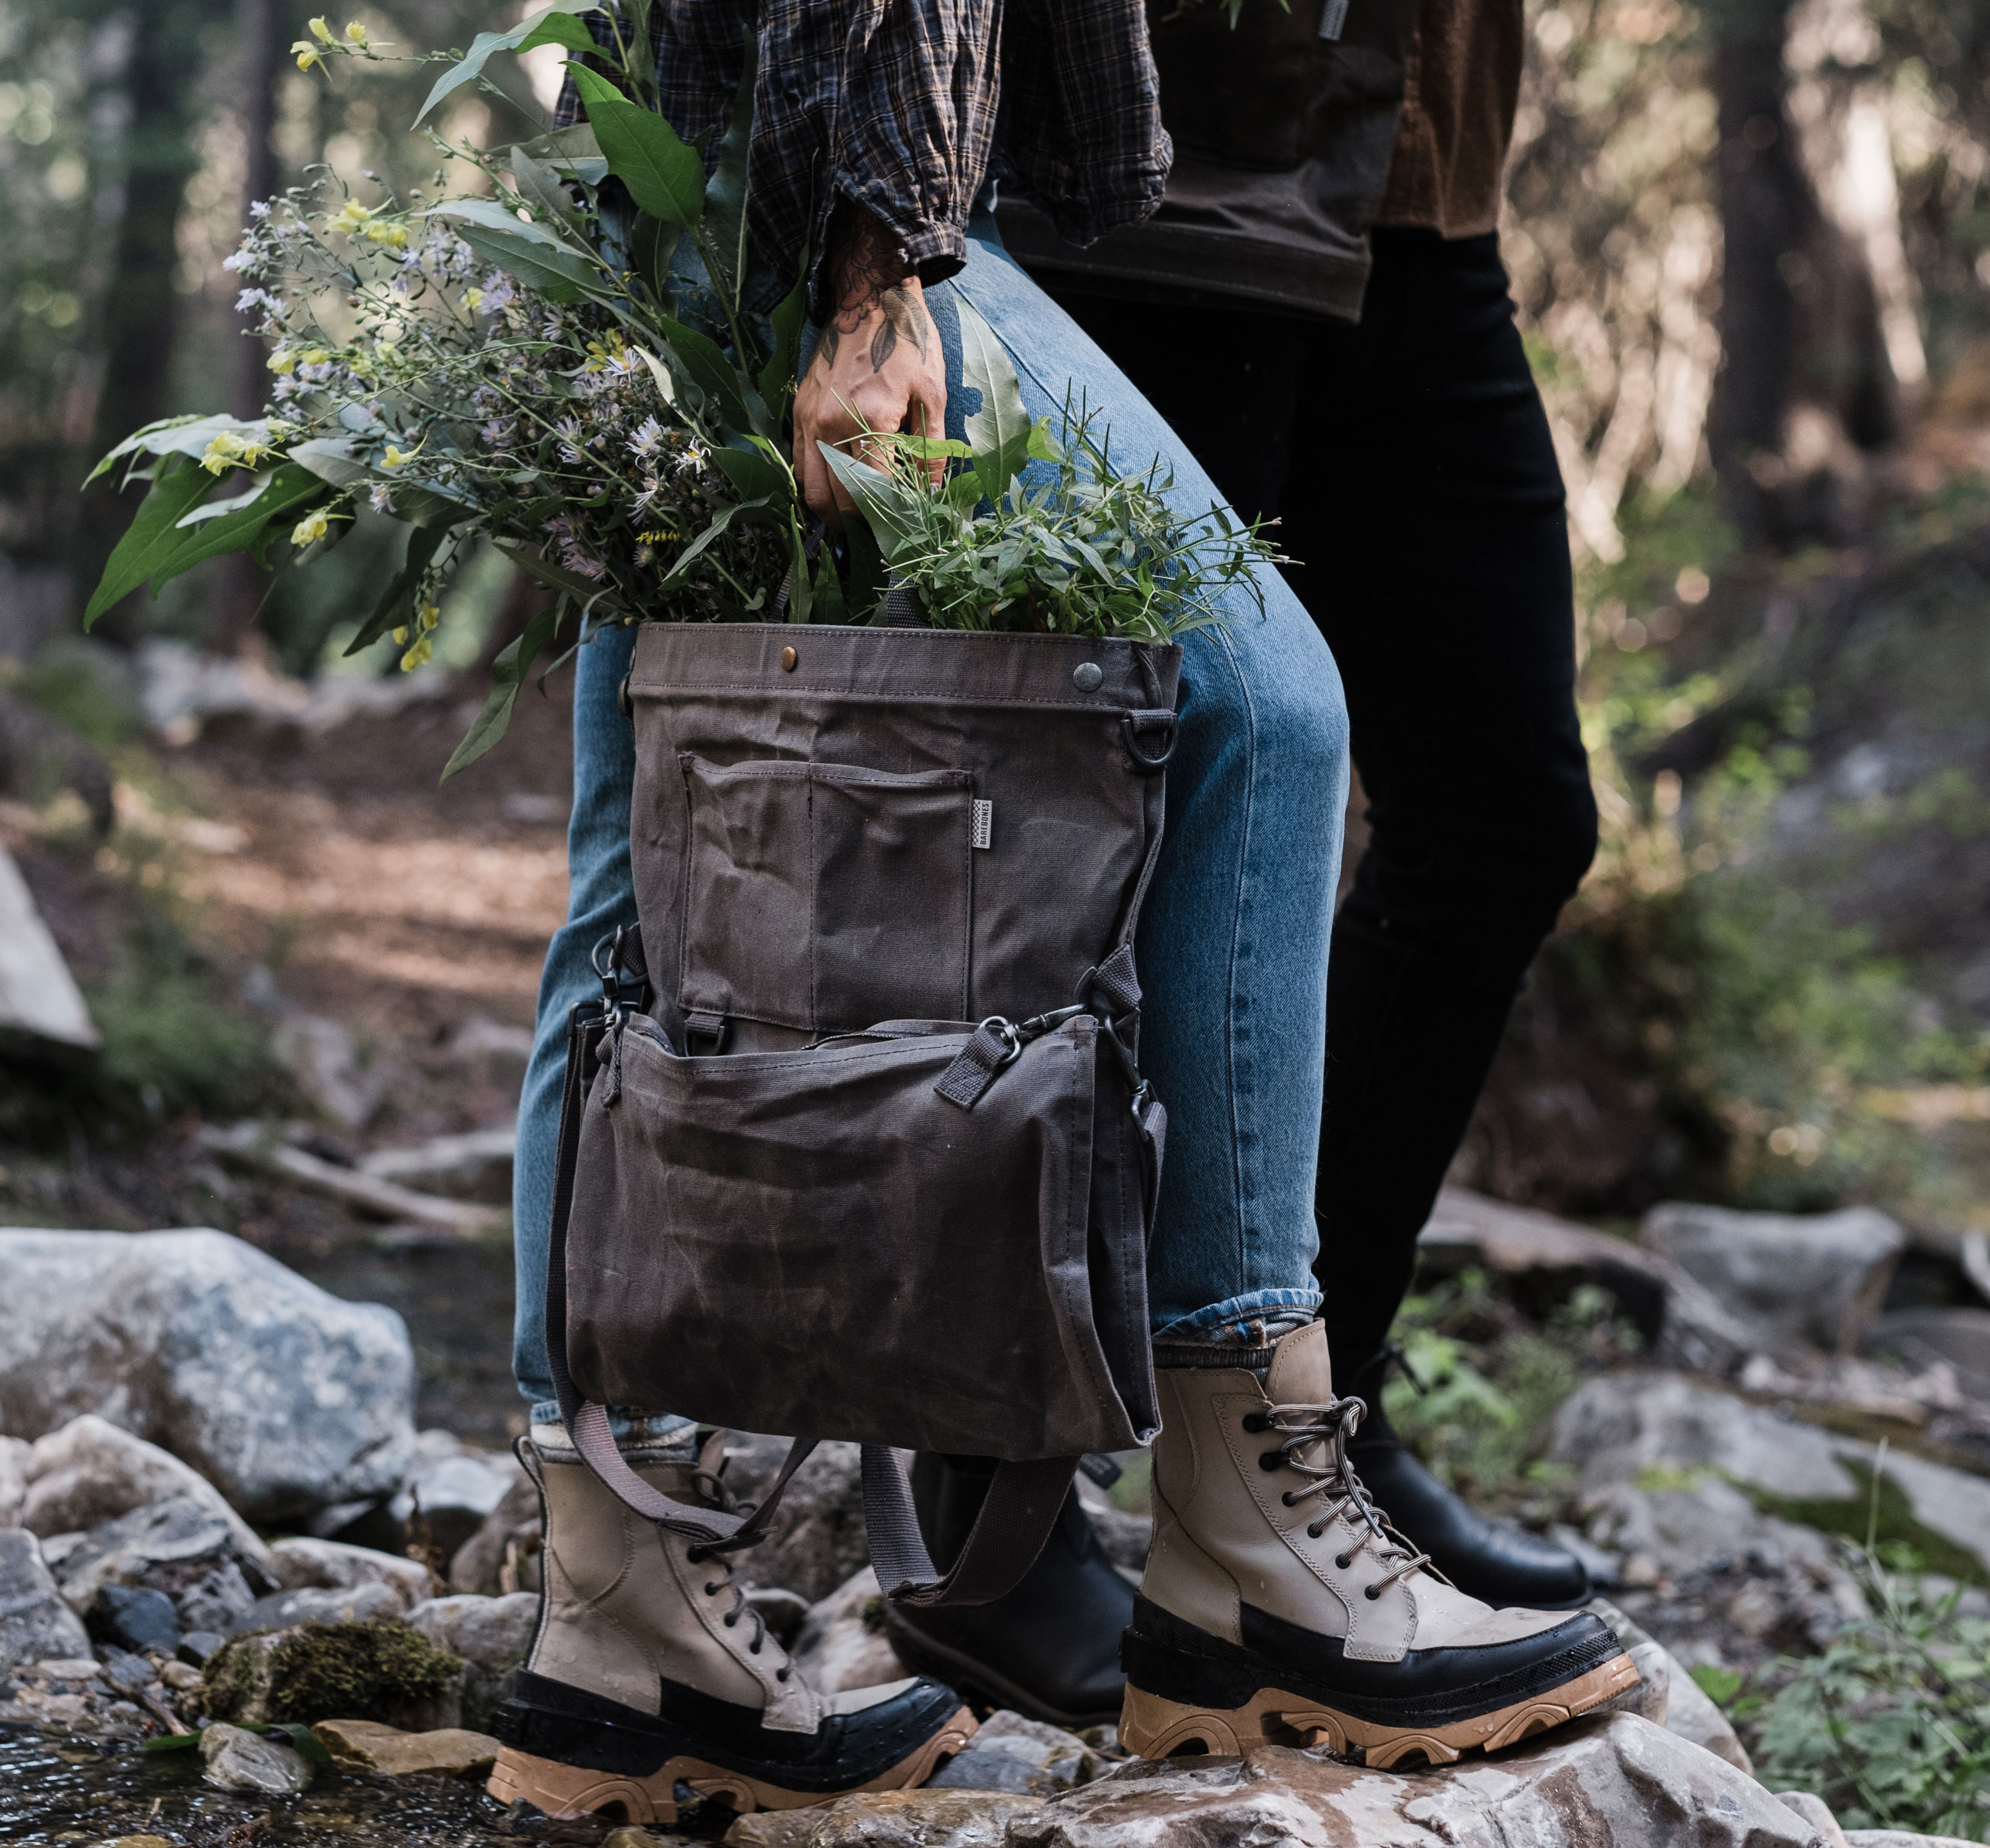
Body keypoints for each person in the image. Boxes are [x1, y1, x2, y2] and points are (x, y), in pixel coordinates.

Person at [490, 0, 1635, 1820]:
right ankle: (1247, 1513)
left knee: (643, 844)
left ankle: (620, 1609)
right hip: (845, 174)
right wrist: (880, 275)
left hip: (778, 161)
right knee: (1256, 710)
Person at [881, 0, 1608, 1725]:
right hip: (1179, 183)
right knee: (1105, 835)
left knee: (1506, 809)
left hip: (1427, 198)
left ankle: (1300, 1427)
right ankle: (994, 1508)